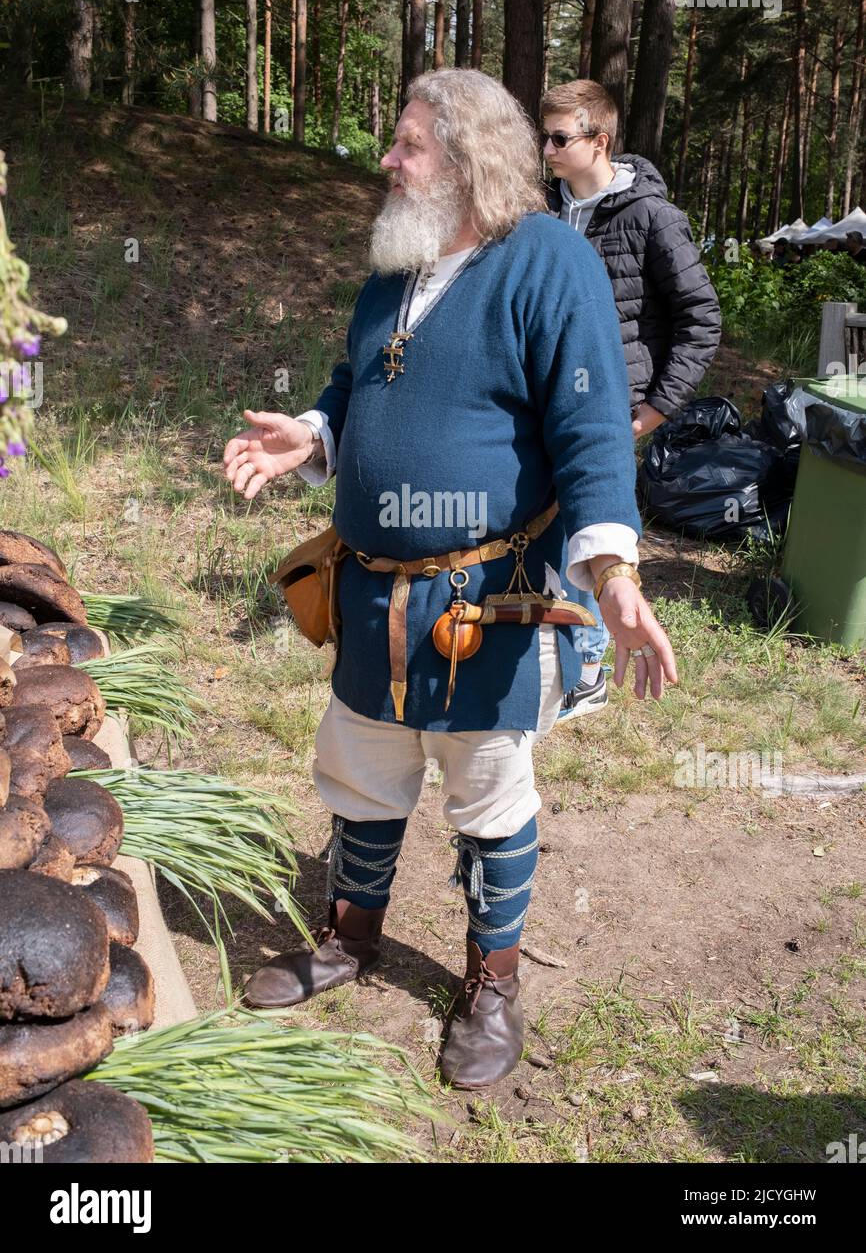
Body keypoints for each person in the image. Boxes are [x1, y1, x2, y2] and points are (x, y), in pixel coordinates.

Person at [223, 69, 677, 1090]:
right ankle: (350, 937)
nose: (387, 161)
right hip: (370, 591)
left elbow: (592, 430)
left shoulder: (547, 262)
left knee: (486, 791)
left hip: (486, 601)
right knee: (364, 772)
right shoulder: (400, 259)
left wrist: (610, 569)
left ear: (469, 161)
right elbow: (359, 383)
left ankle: (490, 983)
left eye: (407, 146)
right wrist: (312, 433)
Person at [540, 79, 720, 719]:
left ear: (600, 141)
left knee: (591, 520)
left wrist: (657, 408)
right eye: (545, 136)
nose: (548, 149)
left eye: (560, 138)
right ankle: (557, 638)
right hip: (543, 394)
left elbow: (701, 318)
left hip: (614, 404)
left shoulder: (651, 216)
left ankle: (587, 664)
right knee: (547, 522)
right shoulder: (541, 208)